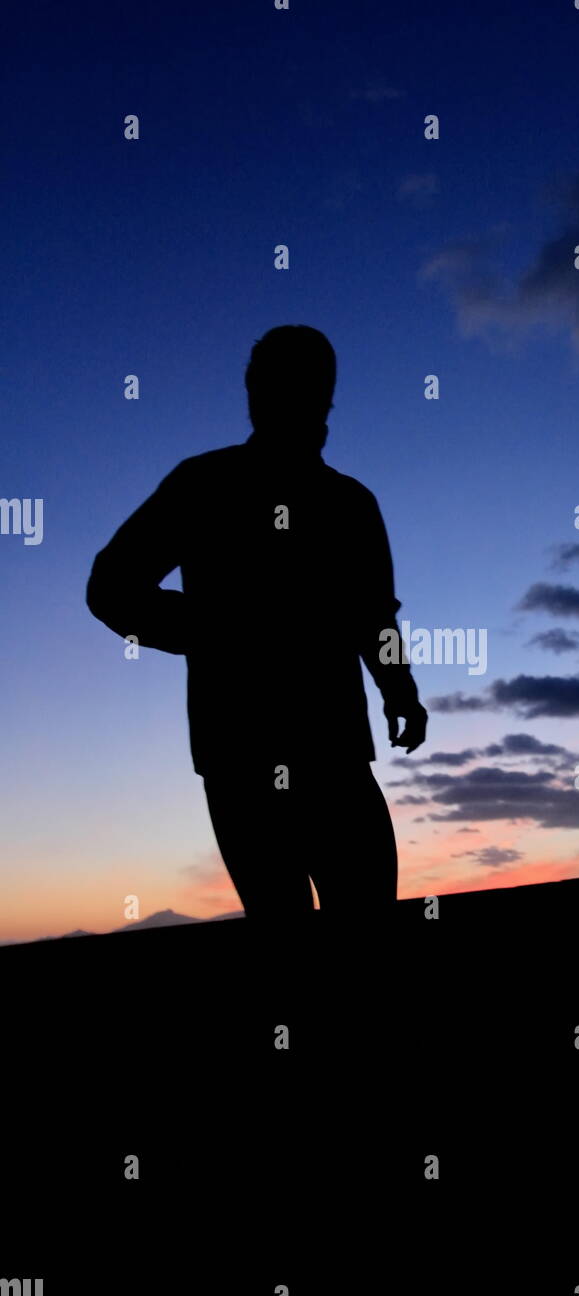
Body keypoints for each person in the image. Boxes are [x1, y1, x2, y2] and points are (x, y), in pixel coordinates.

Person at [86, 325, 427, 922]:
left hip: (316, 755)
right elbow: (111, 588)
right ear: (257, 393)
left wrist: (400, 690)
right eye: (285, 385)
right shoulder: (206, 485)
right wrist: (212, 630)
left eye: (309, 386)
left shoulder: (346, 503)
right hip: (252, 758)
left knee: (355, 916)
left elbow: (375, 617)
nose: (301, 400)